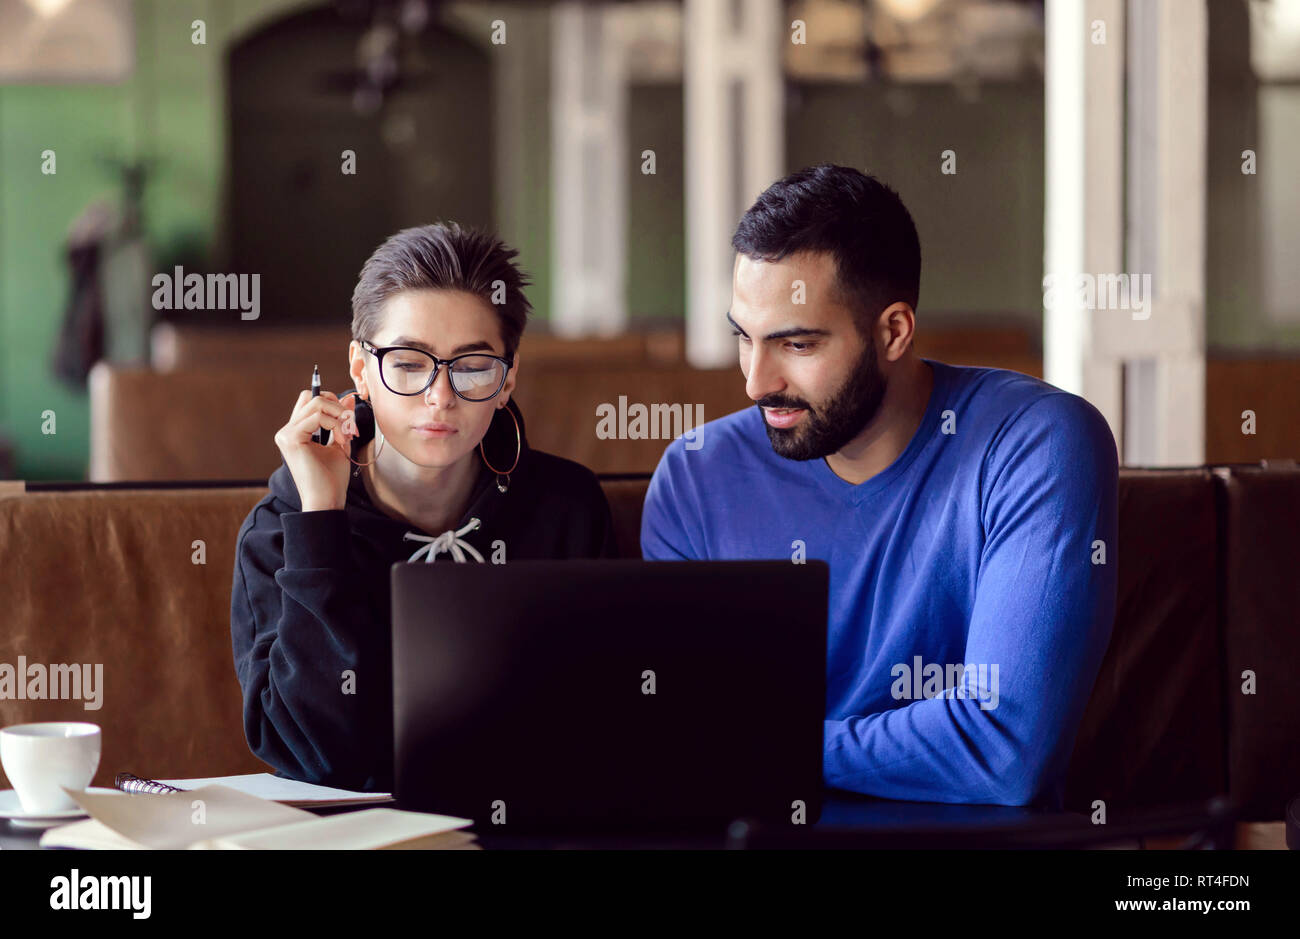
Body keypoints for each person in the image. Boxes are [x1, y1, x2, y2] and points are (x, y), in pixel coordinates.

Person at [641, 164, 1119, 809]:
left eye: (797, 344)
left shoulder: (1034, 442)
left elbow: (1005, 747)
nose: (756, 383)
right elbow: (674, 737)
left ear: (893, 331)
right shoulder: (697, 475)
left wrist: (763, 749)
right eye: (744, 339)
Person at [232, 222, 616, 792]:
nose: (441, 396)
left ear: (507, 379)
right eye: (409, 363)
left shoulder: (567, 508)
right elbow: (310, 757)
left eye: (472, 366)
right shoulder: (280, 529)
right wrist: (321, 518)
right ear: (361, 370)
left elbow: (596, 728)